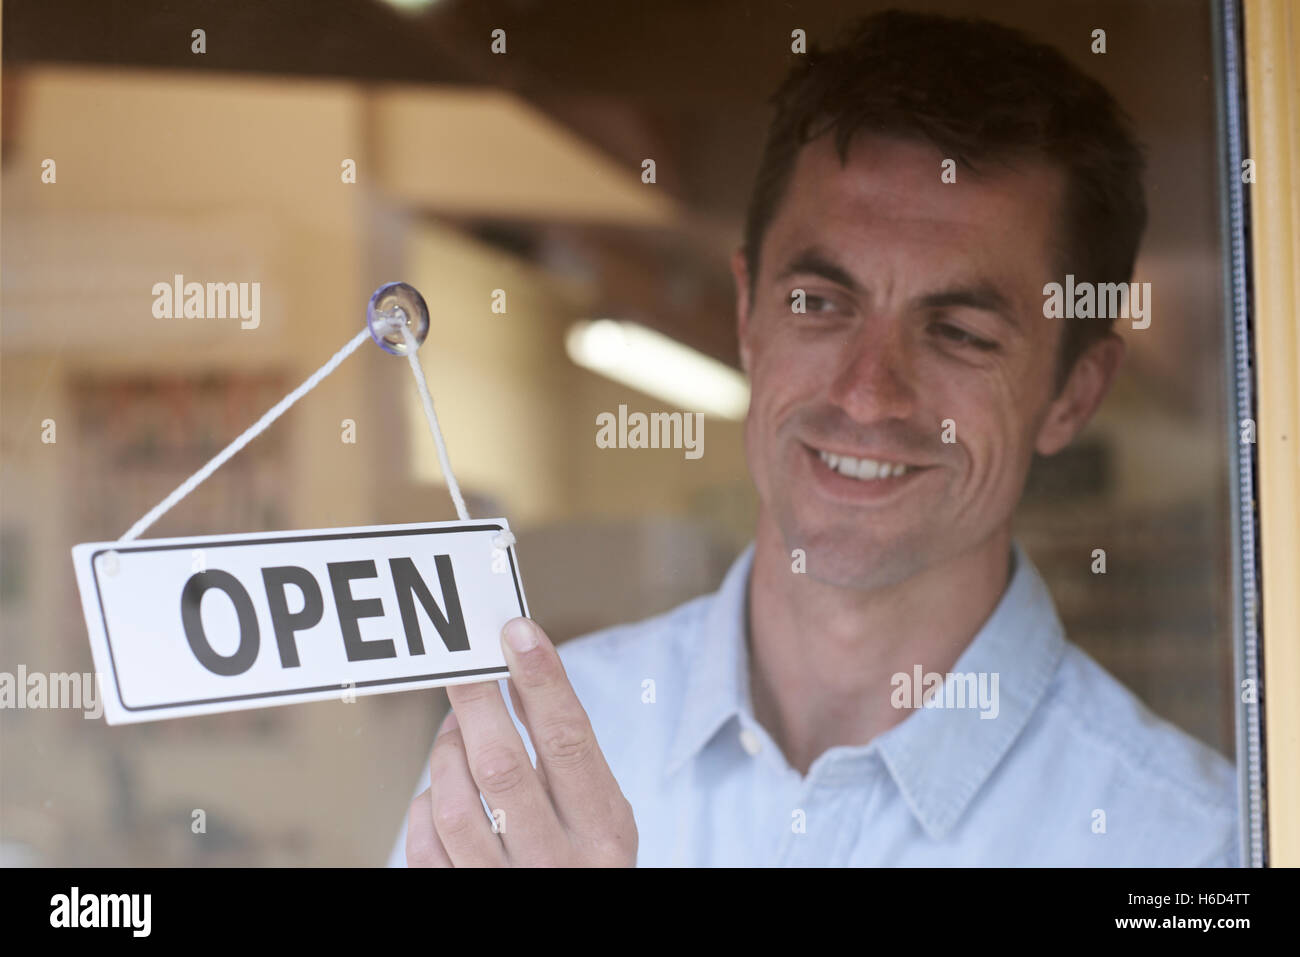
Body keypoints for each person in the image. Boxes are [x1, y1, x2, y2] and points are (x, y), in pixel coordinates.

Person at [391, 9, 1237, 867]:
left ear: (1074, 394)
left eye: (962, 333)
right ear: (748, 316)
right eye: (819, 304)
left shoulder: (1192, 847)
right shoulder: (513, 764)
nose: (867, 394)